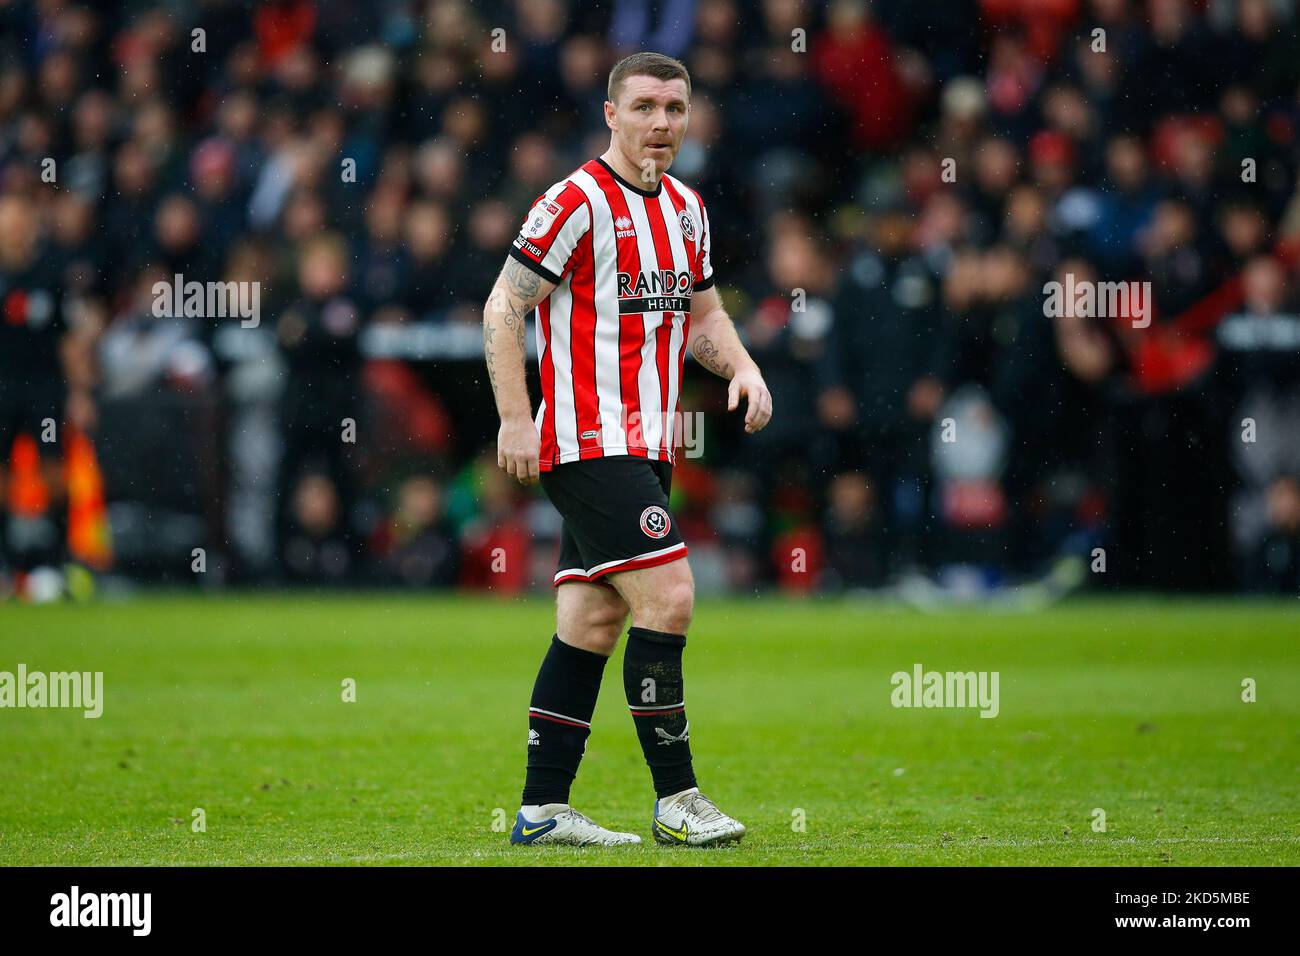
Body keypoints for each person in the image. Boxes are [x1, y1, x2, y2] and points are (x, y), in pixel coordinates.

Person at [481, 52, 772, 847]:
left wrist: (744, 367)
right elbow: (505, 306)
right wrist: (515, 416)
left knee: (590, 618)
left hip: (649, 446)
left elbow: (705, 318)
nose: (661, 123)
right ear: (611, 114)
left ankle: (543, 811)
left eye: (675, 108)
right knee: (670, 596)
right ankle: (678, 800)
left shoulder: (686, 208)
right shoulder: (573, 201)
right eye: (645, 107)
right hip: (583, 439)